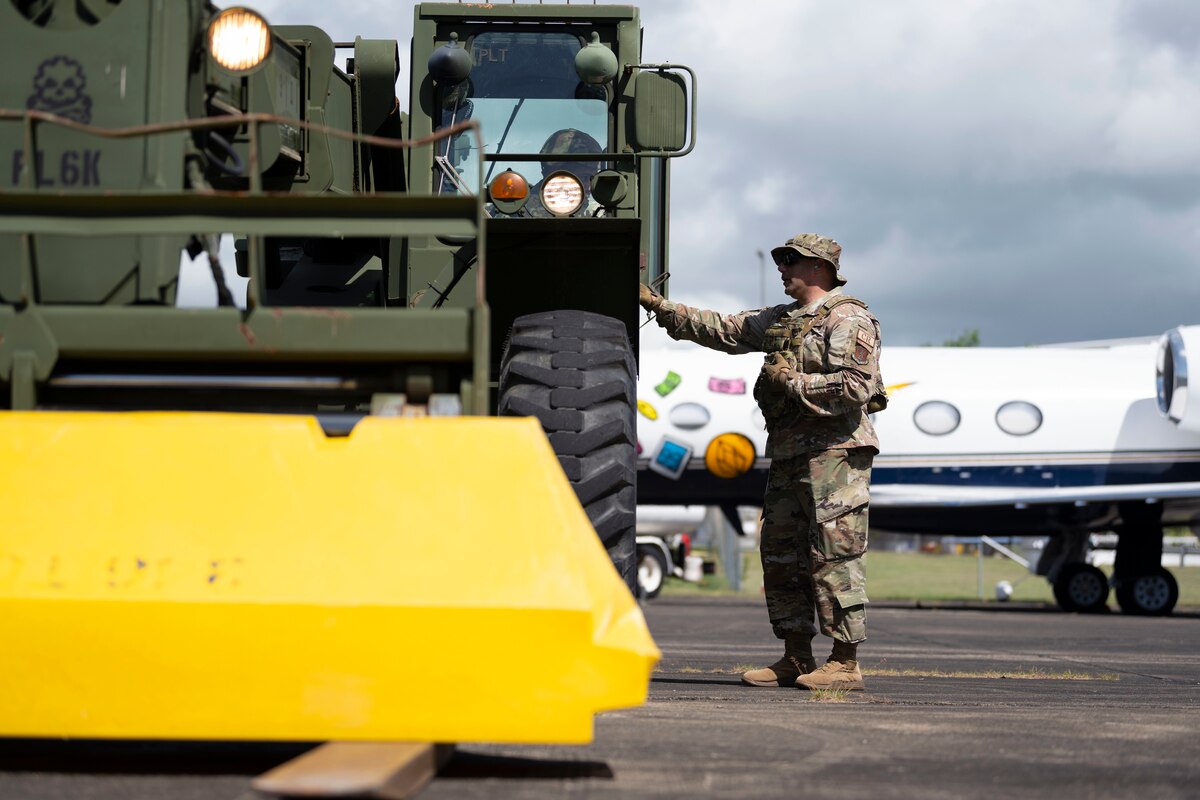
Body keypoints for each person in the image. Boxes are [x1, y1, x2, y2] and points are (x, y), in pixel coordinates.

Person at [639, 234, 885, 691]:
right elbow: (724, 329)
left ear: (820, 268)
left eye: (790, 261)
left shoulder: (849, 318)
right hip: (790, 451)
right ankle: (796, 655)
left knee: (835, 555)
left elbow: (856, 388)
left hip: (835, 454)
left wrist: (790, 382)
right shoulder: (784, 319)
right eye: (779, 260)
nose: (781, 268)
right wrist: (656, 304)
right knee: (781, 554)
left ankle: (844, 664)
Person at [525, 128, 602, 217]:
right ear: (556, 173)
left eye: (592, 179)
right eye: (584, 177)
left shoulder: (595, 211)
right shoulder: (521, 211)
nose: (589, 187)